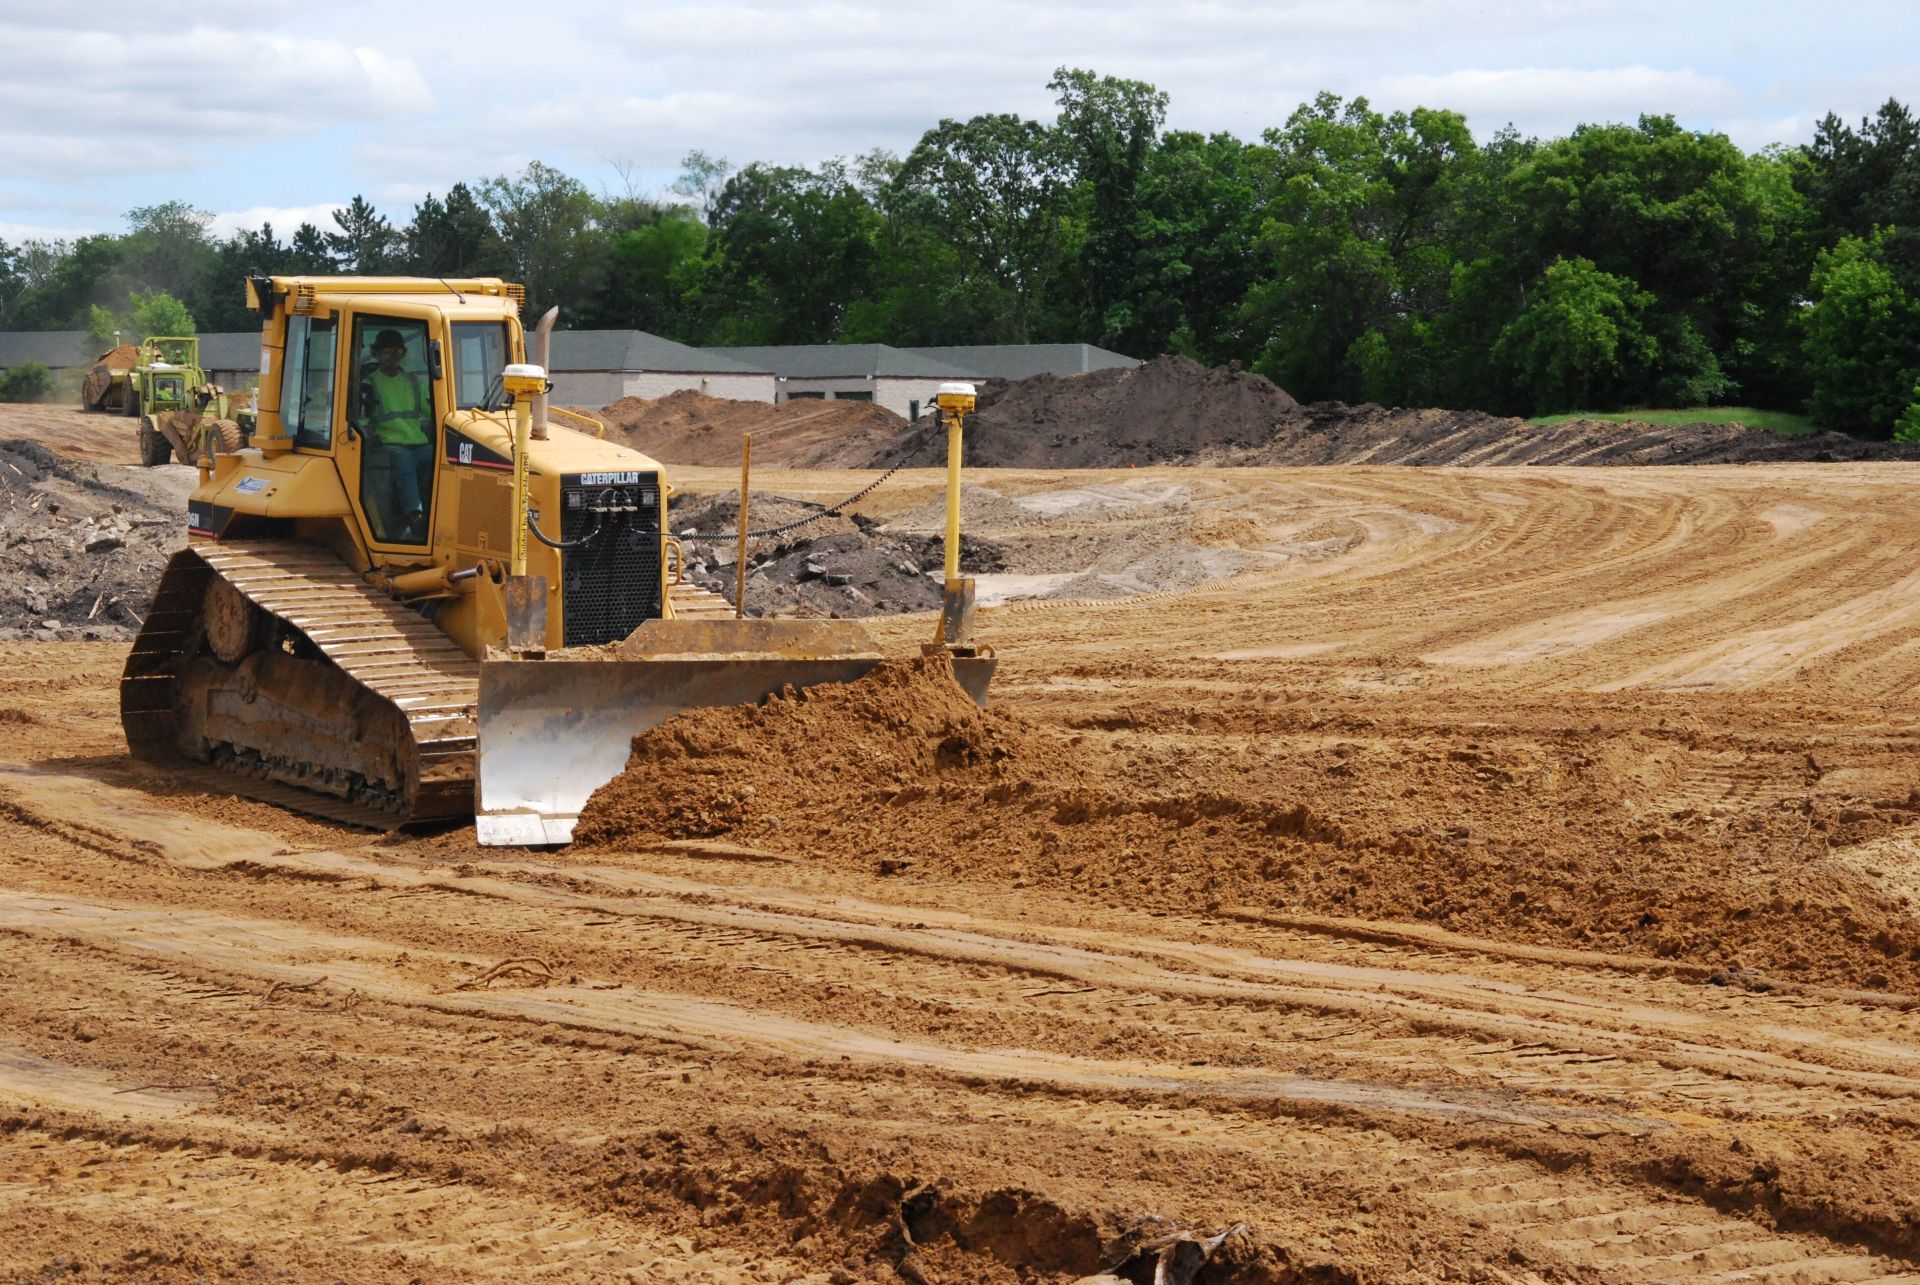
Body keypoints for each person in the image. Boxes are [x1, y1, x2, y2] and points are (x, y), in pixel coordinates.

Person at [358, 328, 432, 541]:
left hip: (418, 442)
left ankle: (433, 509)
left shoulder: (413, 382)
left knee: (439, 458)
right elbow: (362, 421)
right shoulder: (369, 384)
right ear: (376, 353)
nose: (392, 356)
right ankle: (414, 515)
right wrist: (369, 432)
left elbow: (433, 412)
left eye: (397, 351)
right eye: (387, 351)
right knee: (404, 462)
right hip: (388, 443)